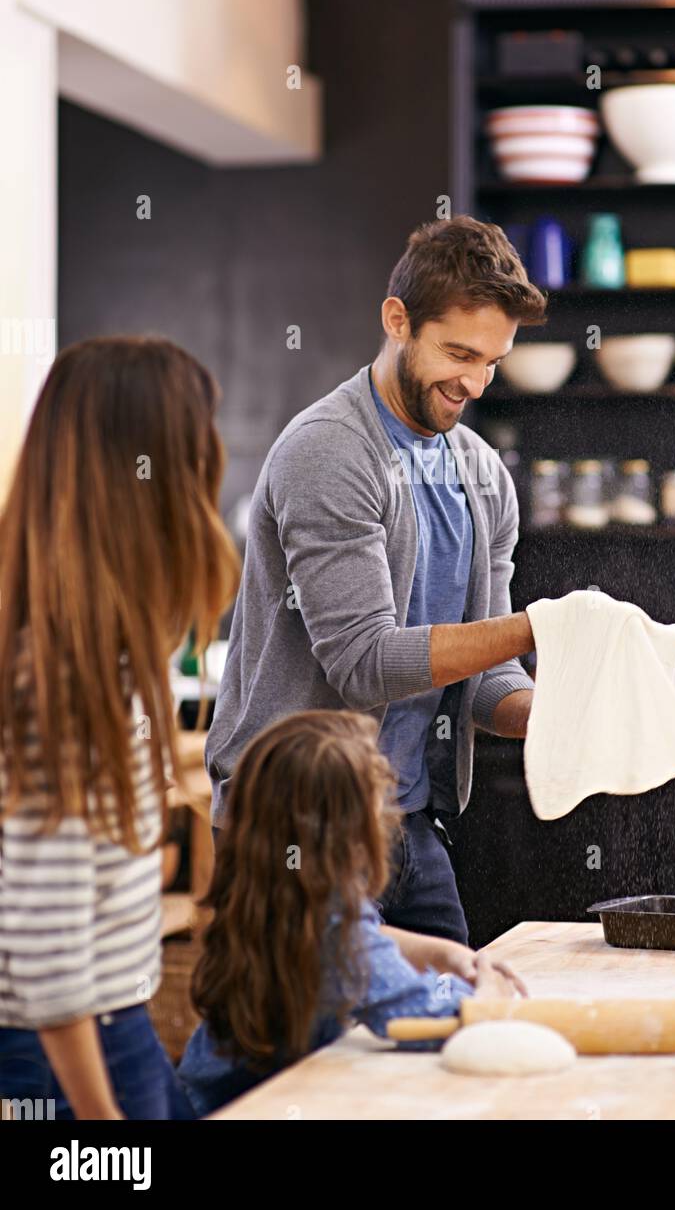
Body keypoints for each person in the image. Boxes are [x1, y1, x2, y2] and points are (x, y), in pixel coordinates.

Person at [205, 216, 549, 943]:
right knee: (305, 1051)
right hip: (292, 823)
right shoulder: (329, 453)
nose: (476, 383)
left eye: (494, 361)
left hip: (406, 820)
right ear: (398, 320)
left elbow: (489, 682)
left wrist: (573, 719)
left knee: (452, 1024)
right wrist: (542, 626)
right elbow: (364, 664)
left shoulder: (483, 477)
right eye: (459, 353)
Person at [0, 337, 240, 1120]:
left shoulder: (86, 652)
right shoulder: (62, 679)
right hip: (67, 1060)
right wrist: (107, 1135)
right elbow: (44, 954)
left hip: (107, 1033)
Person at [178, 710, 526, 1117]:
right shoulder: (337, 931)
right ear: (356, 835)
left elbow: (357, 939)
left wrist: (443, 955)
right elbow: (418, 1019)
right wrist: (489, 996)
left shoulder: (278, 894)